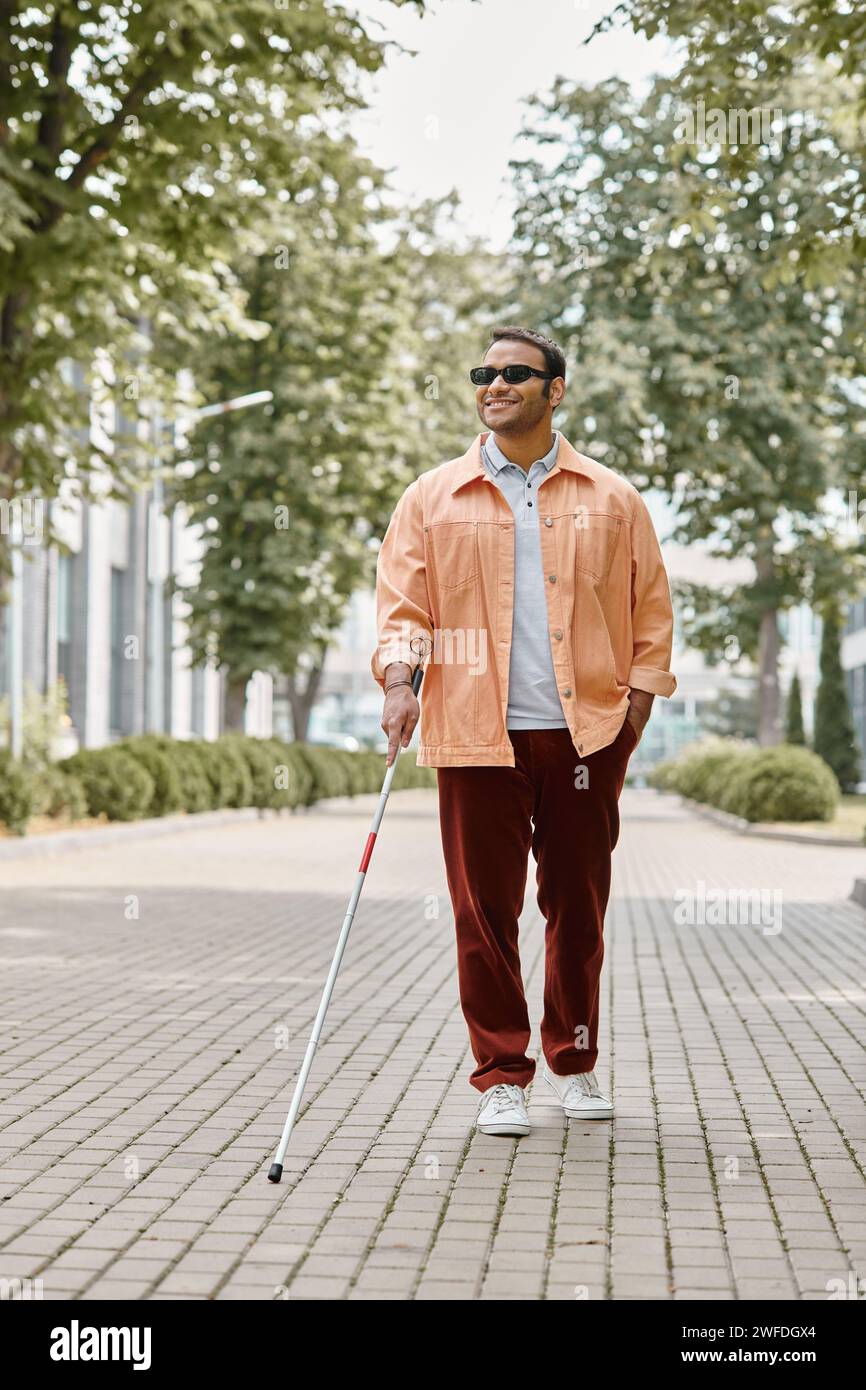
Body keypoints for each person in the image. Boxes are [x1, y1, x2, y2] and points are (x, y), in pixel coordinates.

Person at [370, 325, 677, 1136]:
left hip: (585, 737)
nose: (495, 385)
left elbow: (652, 614)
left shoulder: (614, 499)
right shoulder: (432, 498)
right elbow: (402, 613)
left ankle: (575, 1064)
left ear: (556, 390)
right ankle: (503, 1073)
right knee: (484, 913)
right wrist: (400, 681)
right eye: (485, 373)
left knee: (578, 908)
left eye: (515, 373)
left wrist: (636, 708)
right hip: (475, 733)